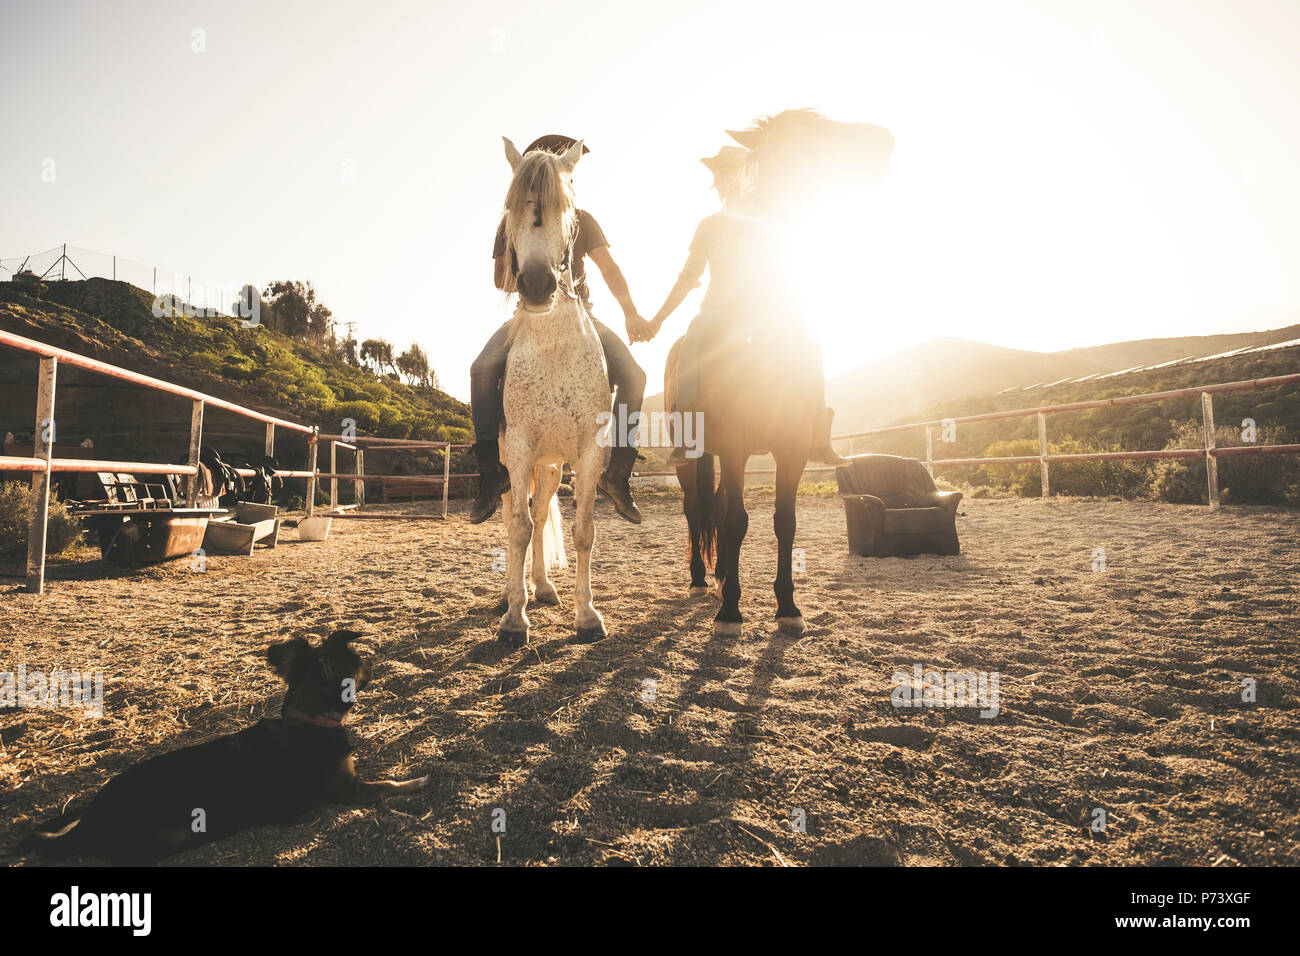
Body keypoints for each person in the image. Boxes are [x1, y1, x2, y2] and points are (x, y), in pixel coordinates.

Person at [470, 134, 650, 525]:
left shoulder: (582, 220)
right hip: (527, 316)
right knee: (481, 370)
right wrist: (520, 267)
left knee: (634, 375)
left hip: (579, 314)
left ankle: (618, 474)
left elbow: (610, 270)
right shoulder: (511, 220)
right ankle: (489, 474)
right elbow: (501, 281)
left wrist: (631, 313)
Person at [645, 146, 848, 467]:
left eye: (726, 173)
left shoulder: (767, 219)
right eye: (717, 176)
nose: (720, 181)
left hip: (764, 312)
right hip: (718, 311)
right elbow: (688, 277)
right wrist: (658, 319)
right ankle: (687, 435)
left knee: (810, 347)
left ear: (744, 175)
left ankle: (819, 435)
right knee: (692, 340)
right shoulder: (709, 226)